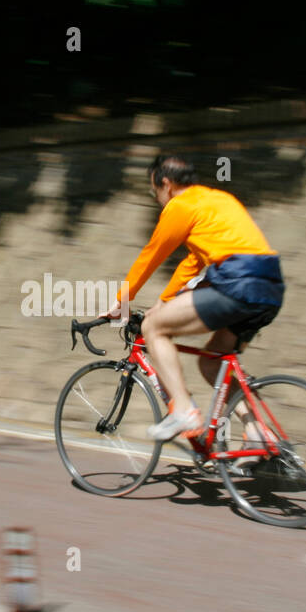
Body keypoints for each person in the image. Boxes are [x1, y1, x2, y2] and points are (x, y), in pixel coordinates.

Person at [102, 155, 285, 441]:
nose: (158, 198)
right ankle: (258, 431)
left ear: (165, 183)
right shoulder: (218, 199)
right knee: (212, 361)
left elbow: (152, 254)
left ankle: (184, 410)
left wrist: (121, 300)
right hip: (270, 289)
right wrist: (164, 301)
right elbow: (193, 262)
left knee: (153, 329)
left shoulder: (180, 205)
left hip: (237, 283)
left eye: (155, 192)